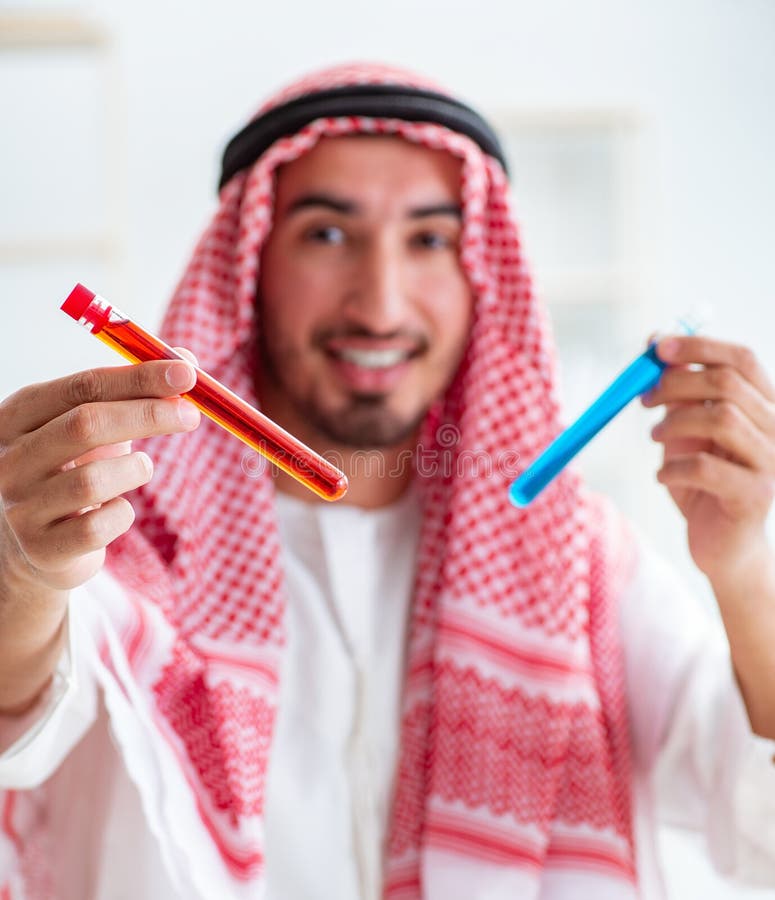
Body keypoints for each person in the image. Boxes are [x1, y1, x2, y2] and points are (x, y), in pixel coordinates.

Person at [1, 62, 775, 900]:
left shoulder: (578, 567)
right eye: (327, 234)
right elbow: (28, 717)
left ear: (481, 275)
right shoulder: (115, 531)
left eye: (430, 240)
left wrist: (741, 568)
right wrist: (21, 577)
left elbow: (755, 825)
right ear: (249, 263)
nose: (379, 303)